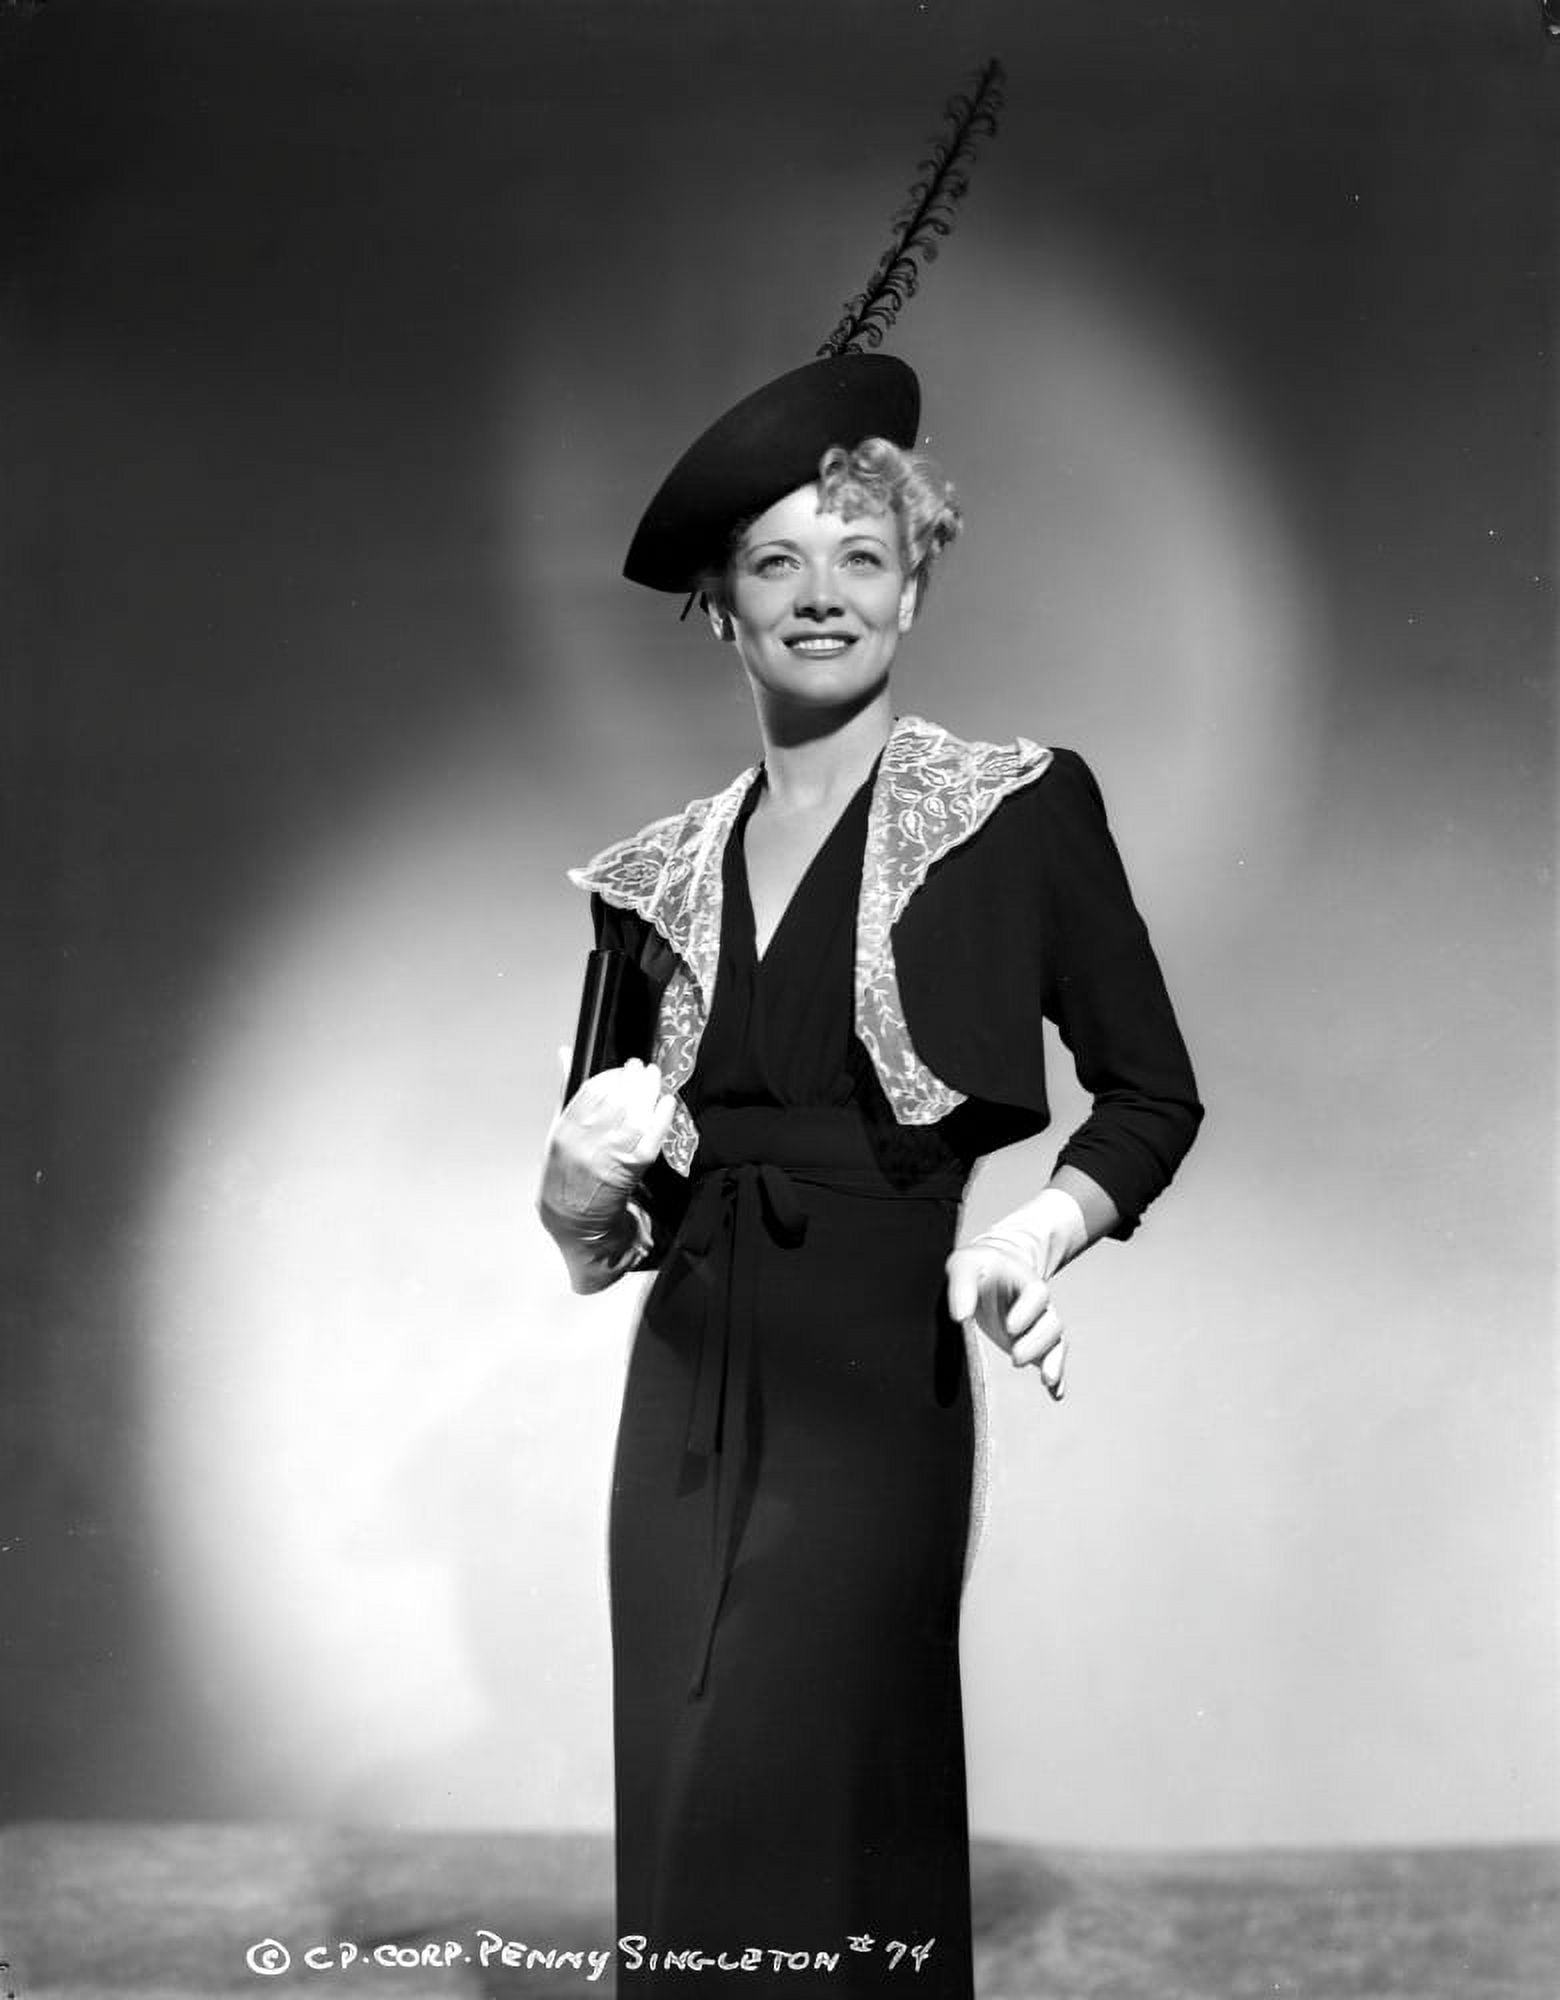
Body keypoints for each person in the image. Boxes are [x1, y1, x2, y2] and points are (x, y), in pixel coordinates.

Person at [538, 352, 1202, 1994]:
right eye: (775, 560)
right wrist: (568, 1181)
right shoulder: (649, 883)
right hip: (686, 1374)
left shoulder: (1019, 815)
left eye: (859, 553)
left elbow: (1150, 1098)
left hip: (875, 1373)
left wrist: (1033, 1239)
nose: (819, 594)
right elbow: (588, 1232)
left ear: (914, 585)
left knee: (829, 1786)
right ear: (720, 605)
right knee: (686, 1794)